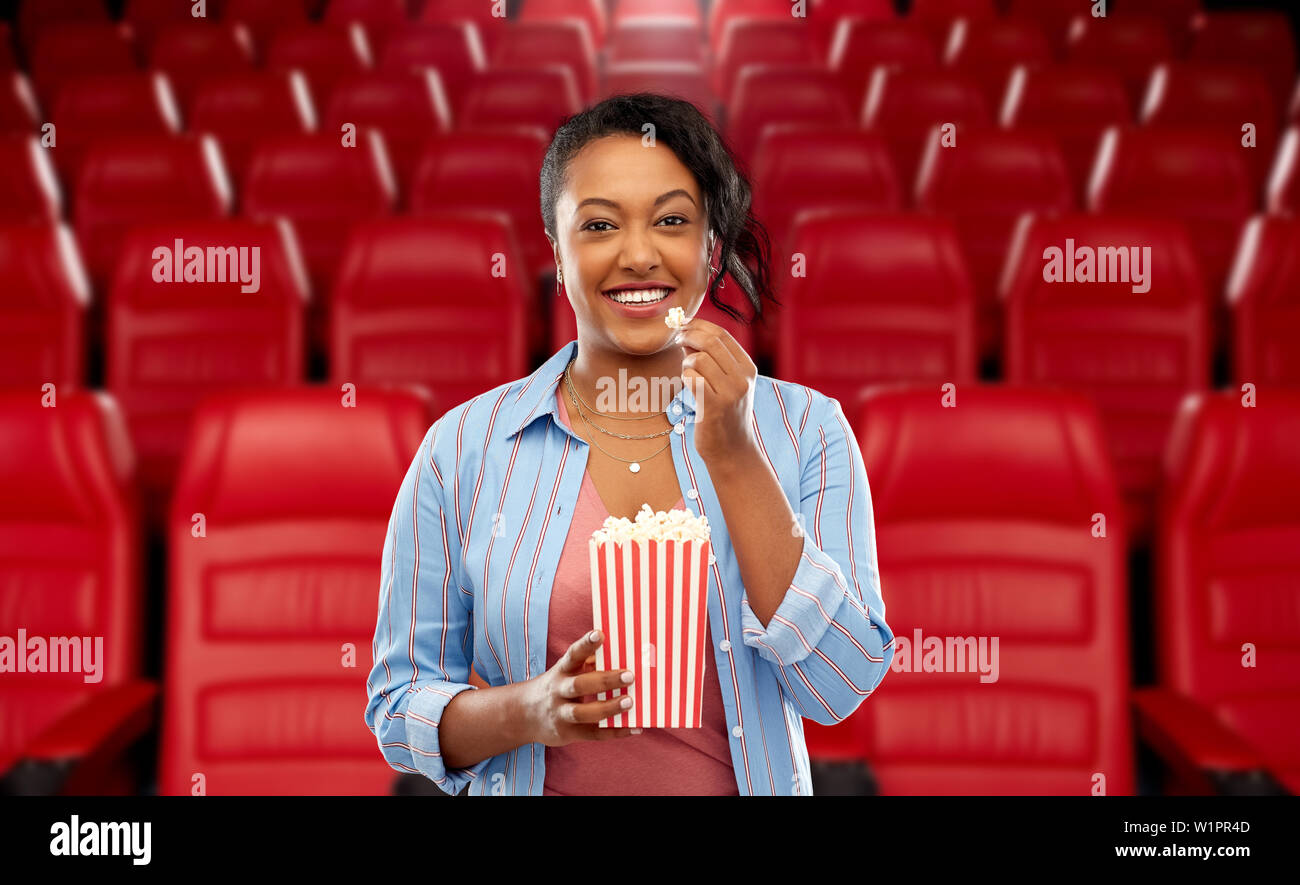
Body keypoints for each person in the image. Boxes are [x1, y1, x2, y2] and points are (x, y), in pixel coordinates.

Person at [364, 93, 895, 795]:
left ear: (711, 249)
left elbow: (839, 685)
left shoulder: (808, 432)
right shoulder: (459, 450)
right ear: (556, 251)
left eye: (672, 220)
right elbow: (398, 707)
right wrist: (526, 711)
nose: (639, 254)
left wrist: (735, 455)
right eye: (600, 224)